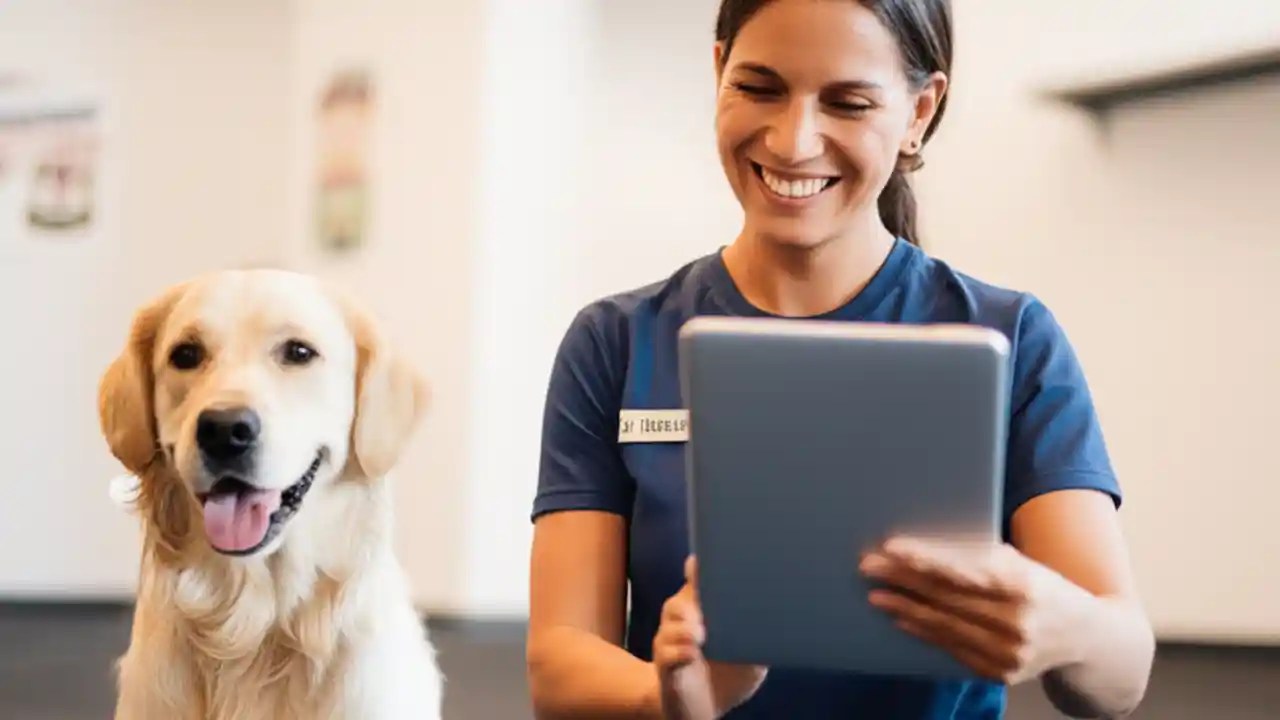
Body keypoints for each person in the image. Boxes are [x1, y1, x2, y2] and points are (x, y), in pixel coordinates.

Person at [525, 0, 1156, 718]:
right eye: (759, 88)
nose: (794, 142)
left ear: (920, 111)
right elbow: (558, 664)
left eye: (848, 102)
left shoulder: (1013, 338)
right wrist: (670, 697)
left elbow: (1121, 672)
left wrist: (1061, 624)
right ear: (718, 70)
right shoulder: (614, 341)